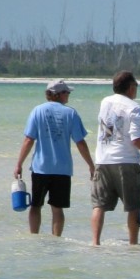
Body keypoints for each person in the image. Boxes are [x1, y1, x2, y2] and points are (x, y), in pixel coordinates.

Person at [14, 80, 95, 236]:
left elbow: (29, 140)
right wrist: (91, 165)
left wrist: (19, 164)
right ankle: (56, 241)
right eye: (67, 92)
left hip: (41, 168)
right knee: (57, 209)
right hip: (62, 169)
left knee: (36, 205)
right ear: (58, 94)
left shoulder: (37, 111)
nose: (68, 95)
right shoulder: (71, 113)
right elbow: (80, 142)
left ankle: (34, 237)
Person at [91, 70, 140, 246]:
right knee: (134, 207)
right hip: (126, 162)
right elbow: (136, 139)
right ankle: (133, 245)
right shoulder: (134, 108)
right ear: (130, 88)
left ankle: (95, 243)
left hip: (102, 161)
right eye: (136, 86)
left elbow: (117, 112)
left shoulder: (105, 101)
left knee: (99, 205)